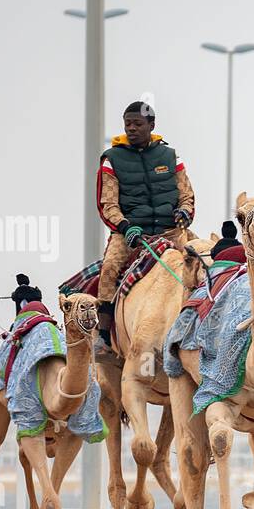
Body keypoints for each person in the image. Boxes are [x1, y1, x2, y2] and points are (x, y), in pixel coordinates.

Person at [95, 101, 195, 338]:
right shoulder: (111, 159)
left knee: (202, 262)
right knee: (109, 269)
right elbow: (107, 204)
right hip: (130, 235)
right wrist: (125, 226)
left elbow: (186, 195)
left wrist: (184, 212)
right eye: (128, 124)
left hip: (172, 232)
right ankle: (104, 335)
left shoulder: (171, 156)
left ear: (151, 125)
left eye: (137, 124)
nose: (131, 128)